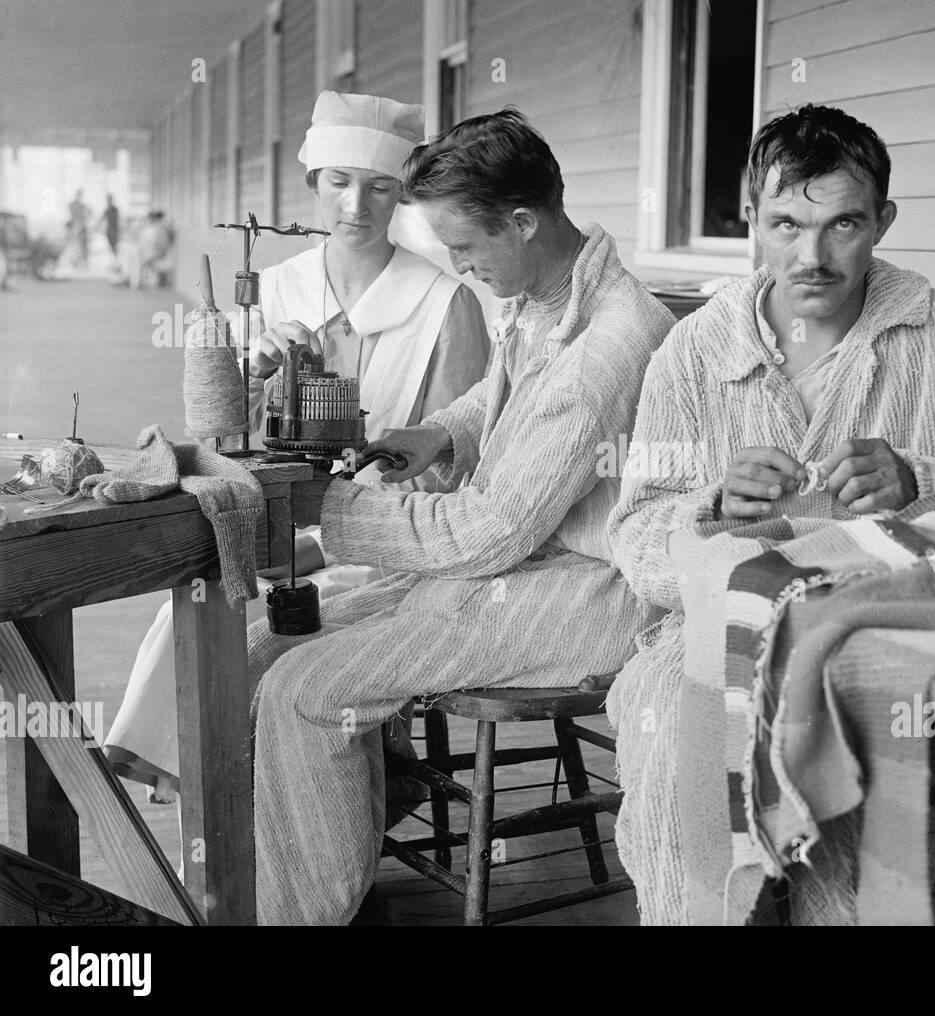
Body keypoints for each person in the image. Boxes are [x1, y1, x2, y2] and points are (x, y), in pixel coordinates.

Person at [242, 108, 674, 925]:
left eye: (466, 249)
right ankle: (316, 854)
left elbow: (491, 529)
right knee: (265, 644)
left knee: (304, 688)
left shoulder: (612, 345)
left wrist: (329, 509)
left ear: (522, 219)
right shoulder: (551, 292)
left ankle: (304, 911)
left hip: (585, 589)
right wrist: (441, 429)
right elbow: (506, 393)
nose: (461, 268)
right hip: (520, 558)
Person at [604, 104, 935, 924]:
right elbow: (633, 539)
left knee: (875, 766)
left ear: (883, 223)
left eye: (842, 226)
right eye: (785, 224)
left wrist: (925, 478)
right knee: (669, 749)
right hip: (713, 639)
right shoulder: (694, 353)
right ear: (752, 218)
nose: (812, 255)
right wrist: (710, 506)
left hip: (883, 639)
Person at [104, 91, 493, 804]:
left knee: (268, 634)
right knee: (190, 614)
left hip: (388, 547)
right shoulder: (272, 294)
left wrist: (351, 514)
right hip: (284, 526)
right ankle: (220, 804)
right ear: (312, 183)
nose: (357, 205)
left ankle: (280, 809)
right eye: (339, 182)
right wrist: (252, 375)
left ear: (403, 192)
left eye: (380, 186)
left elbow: (456, 468)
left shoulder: (445, 304)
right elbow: (224, 440)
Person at [99, 194, 120, 258]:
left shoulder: (114, 209)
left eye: (109, 200)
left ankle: (116, 258)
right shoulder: (107, 210)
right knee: (111, 245)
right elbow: (102, 218)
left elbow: (116, 220)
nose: (108, 201)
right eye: (108, 200)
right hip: (109, 230)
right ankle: (114, 258)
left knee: (114, 246)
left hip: (114, 230)